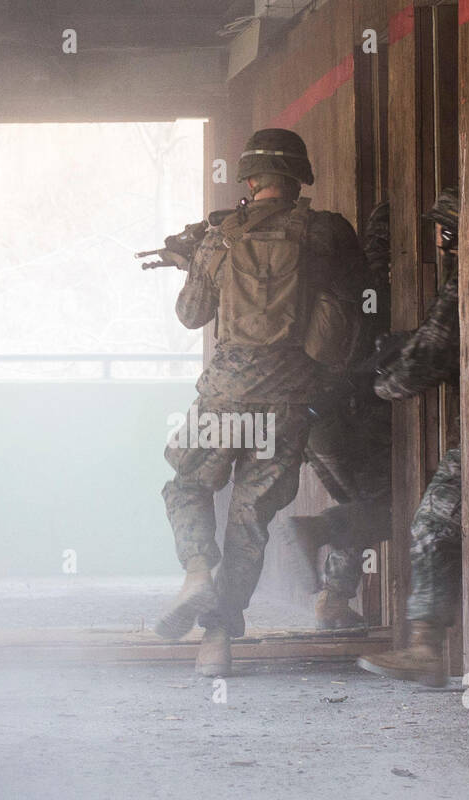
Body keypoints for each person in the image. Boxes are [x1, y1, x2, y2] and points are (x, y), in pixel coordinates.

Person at [156, 128, 369, 676]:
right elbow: (353, 297)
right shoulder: (327, 233)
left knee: (188, 485)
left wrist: (197, 260)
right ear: (299, 178)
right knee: (249, 519)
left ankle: (197, 571)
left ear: (249, 180)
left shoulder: (220, 237)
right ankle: (218, 639)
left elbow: (191, 314)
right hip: (289, 403)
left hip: (225, 399)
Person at [357, 187, 462, 686]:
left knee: (431, 525)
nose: (439, 238)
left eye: (444, 228)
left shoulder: (466, 279)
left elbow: (431, 354)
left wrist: (381, 381)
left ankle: (426, 649)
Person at [289, 201, 393, 629]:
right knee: (387, 509)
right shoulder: (366, 291)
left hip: (308, 422)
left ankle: (332, 603)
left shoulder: (305, 289)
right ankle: (316, 533)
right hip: (345, 419)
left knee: (362, 507)